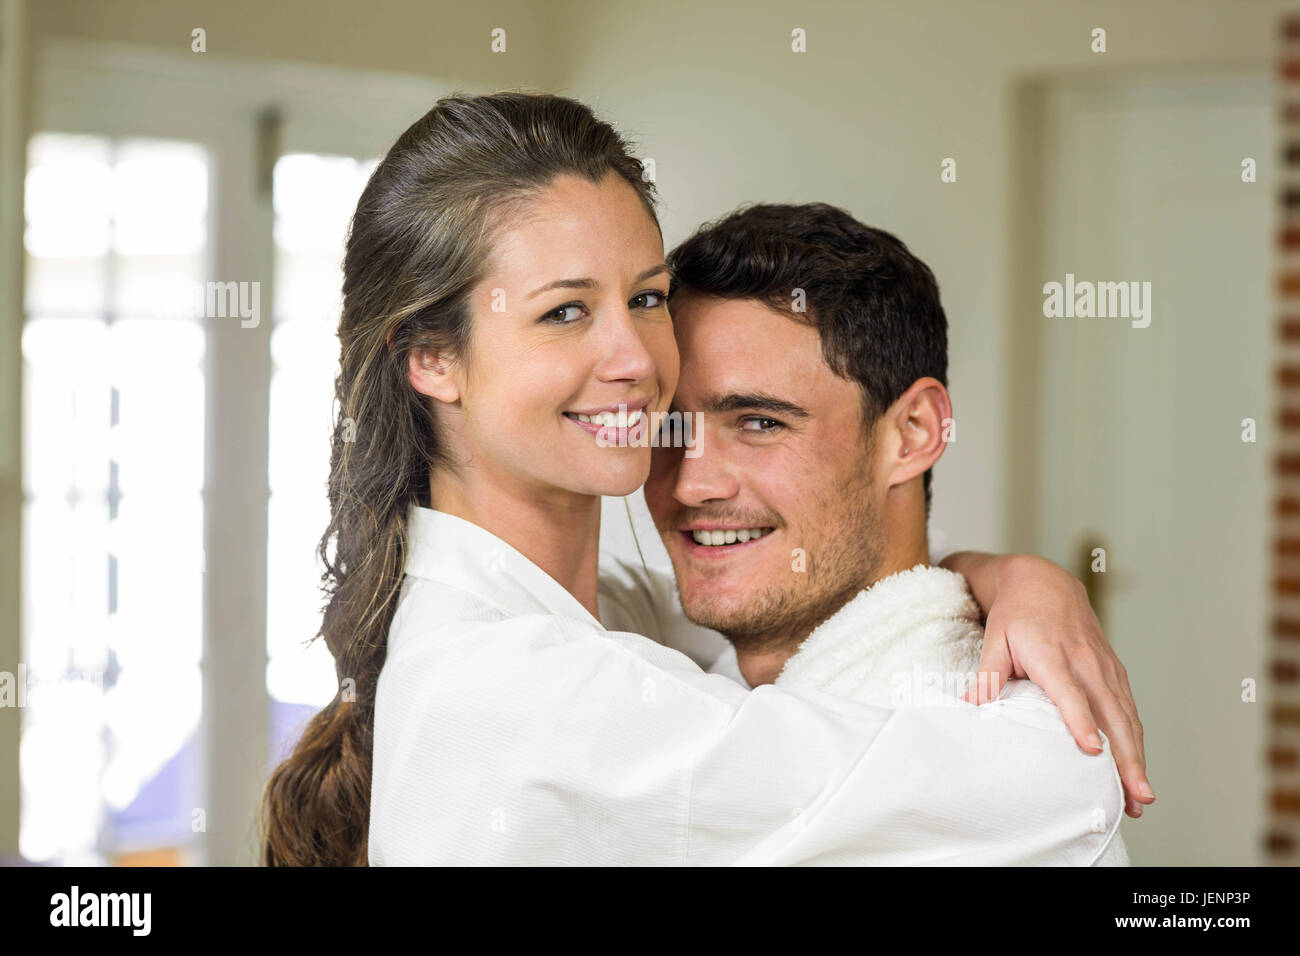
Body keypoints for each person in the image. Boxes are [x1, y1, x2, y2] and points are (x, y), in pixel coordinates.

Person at [259, 92, 1149, 866]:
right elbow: (1065, 778)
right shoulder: (518, 684)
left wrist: (1004, 577)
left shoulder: (592, 610)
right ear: (431, 358)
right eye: (565, 311)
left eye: (645, 298)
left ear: (912, 433)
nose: (635, 360)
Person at [636, 202, 1132, 861]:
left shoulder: (999, 757)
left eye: (759, 422)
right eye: (670, 426)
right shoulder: (655, 644)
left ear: (914, 433)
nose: (691, 484)